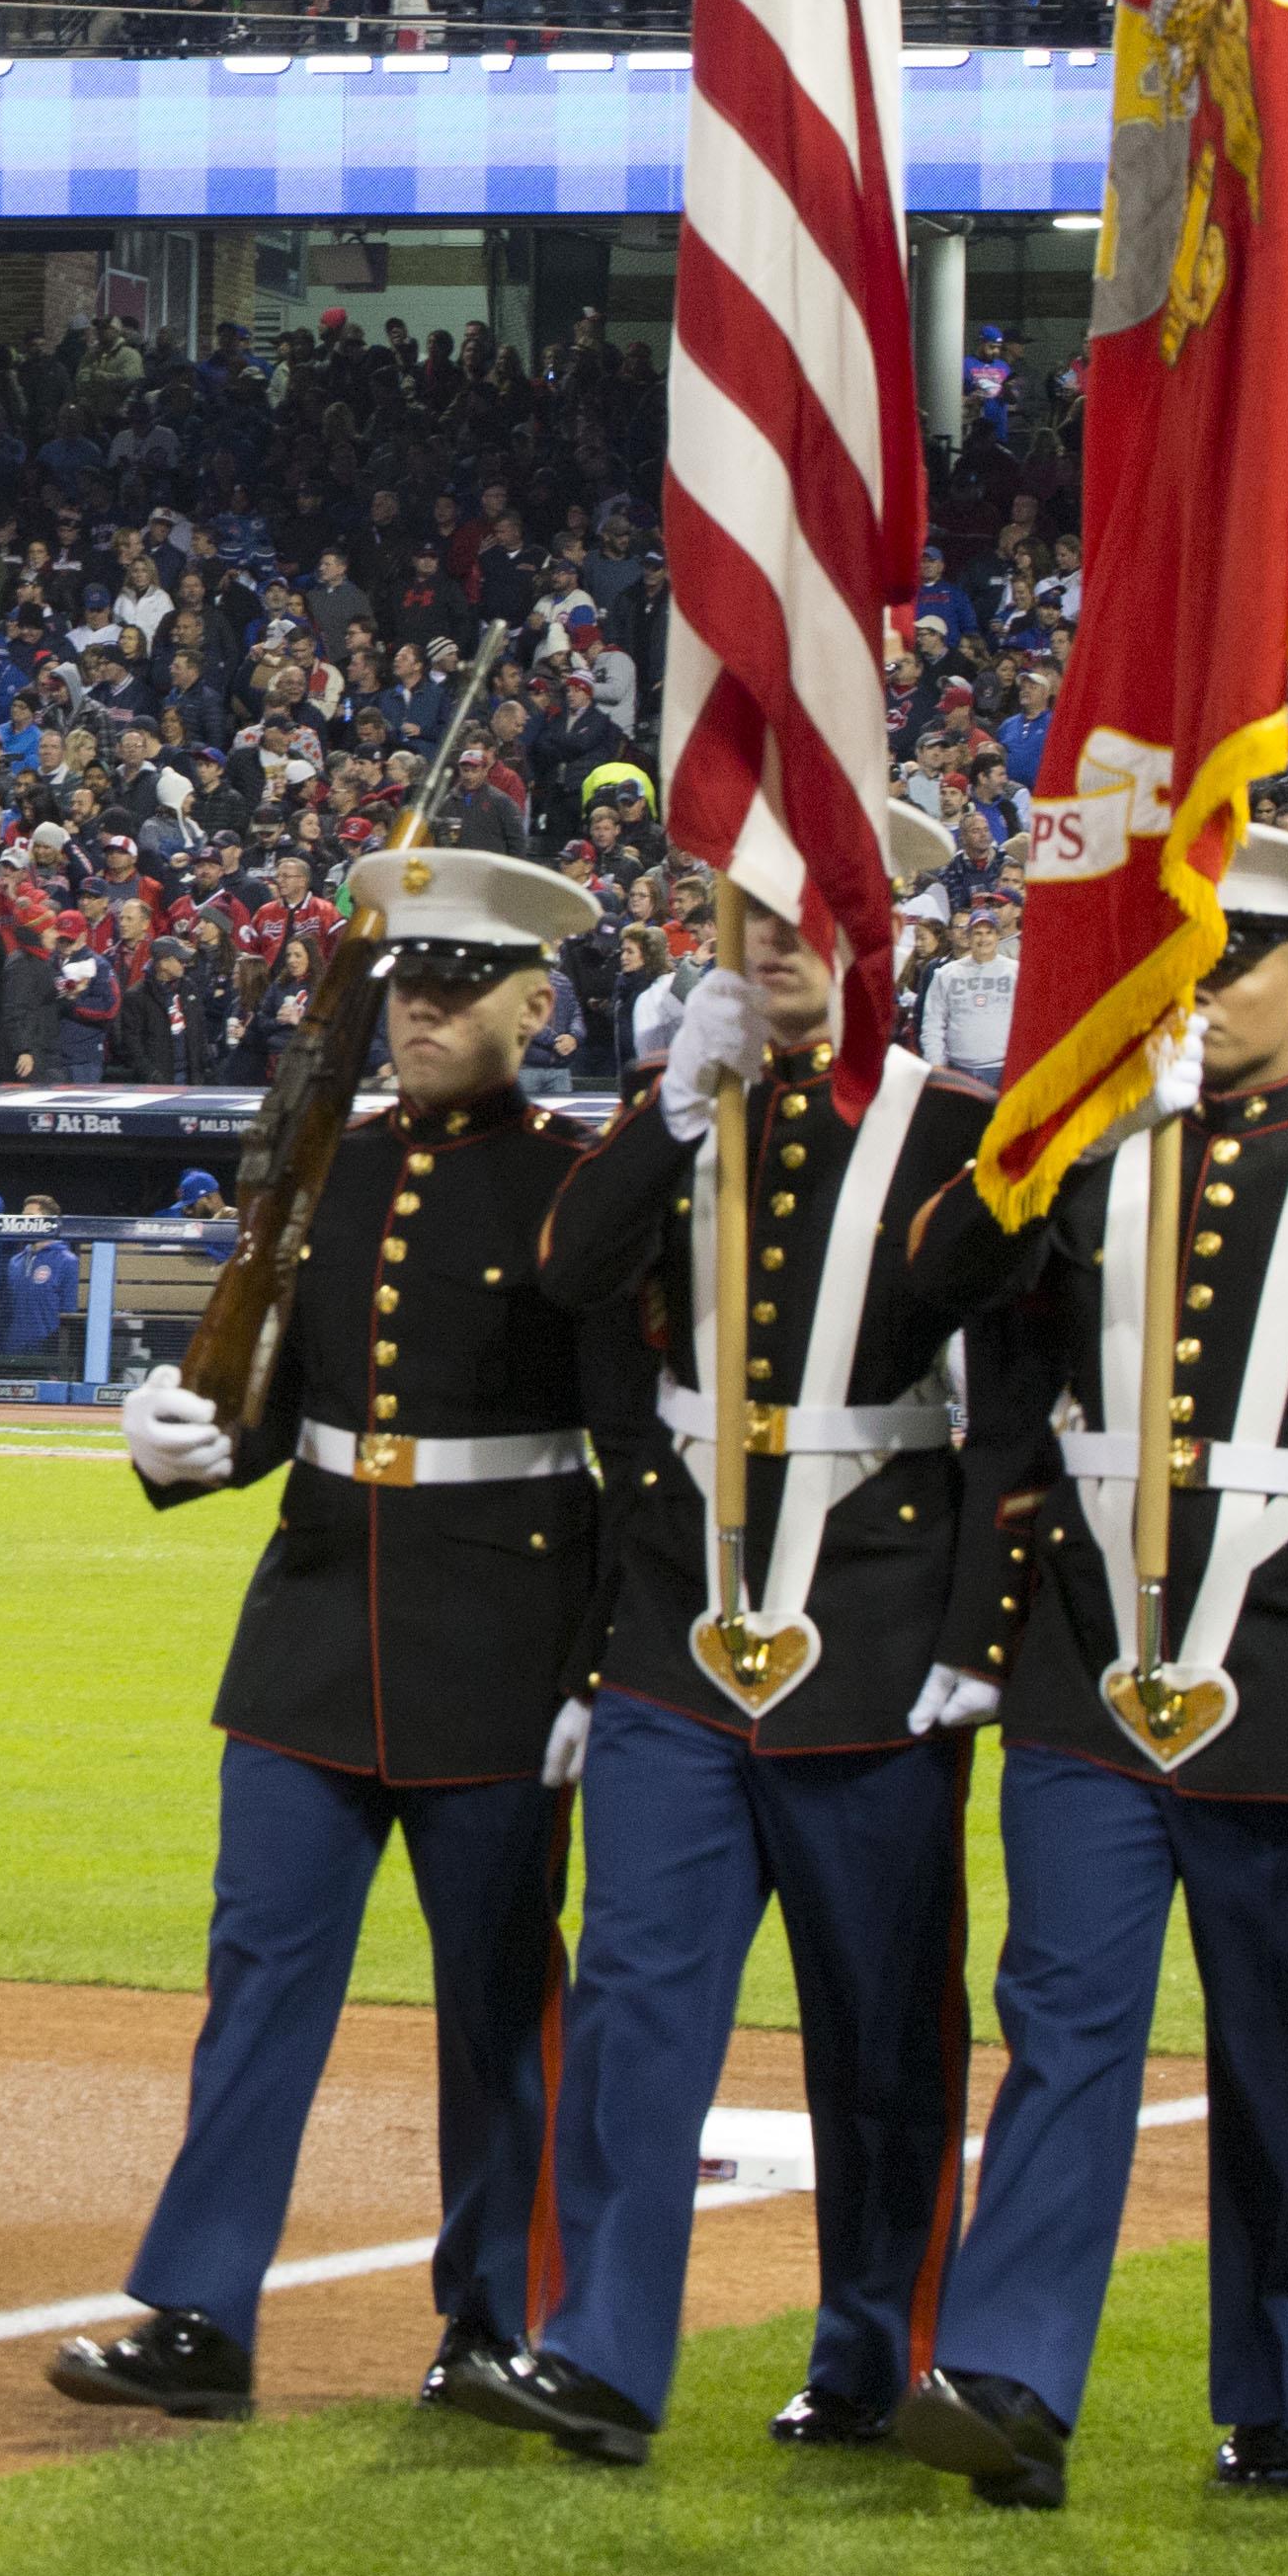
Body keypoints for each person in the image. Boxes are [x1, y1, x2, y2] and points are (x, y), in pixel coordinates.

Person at [890, 827, 1288, 2513]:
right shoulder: (1075, 1150)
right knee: (1062, 2021)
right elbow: (960, 1336)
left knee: (1281, 2040)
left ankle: (1279, 2389)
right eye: (1181, 965)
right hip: (1086, 1645)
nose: (1204, 997)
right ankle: (1009, 2379)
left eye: (1237, 968)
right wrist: (1044, 1137)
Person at [50, 850, 609, 2431]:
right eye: (403, 986)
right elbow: (280, 1399)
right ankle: (197, 2311)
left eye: (453, 987)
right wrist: (185, 1442)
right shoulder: (333, 1167)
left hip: (502, 1636)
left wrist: (590, 1668)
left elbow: (628, 1450)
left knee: (500, 1999)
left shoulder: (576, 1178)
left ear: (532, 1000)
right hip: (313, 1625)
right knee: (258, 1982)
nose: (419, 1010)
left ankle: (498, 2321)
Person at [465, 805, 993, 2468]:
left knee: (880, 2023)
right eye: (749, 916)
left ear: (876, 933)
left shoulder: (948, 1130)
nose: (777, 947)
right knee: (634, 2002)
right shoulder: (681, 1112)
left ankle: (872, 2356)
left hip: (876, 1621)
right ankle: (603, 2354)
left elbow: (1014, 1406)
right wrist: (677, 1108)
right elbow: (570, 1274)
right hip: (679, 1624)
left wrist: (979, 1628)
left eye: (813, 917)